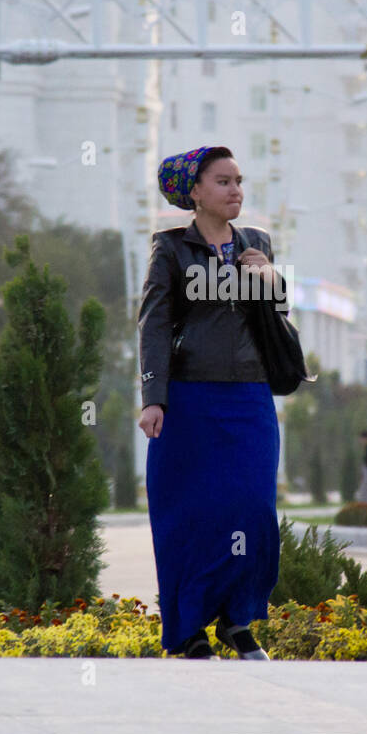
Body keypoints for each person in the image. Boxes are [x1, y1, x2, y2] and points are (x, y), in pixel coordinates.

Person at [137, 145, 280, 660]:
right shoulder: (171, 249)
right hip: (190, 399)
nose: (236, 189)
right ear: (194, 192)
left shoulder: (258, 243)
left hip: (249, 396)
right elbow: (153, 324)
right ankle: (190, 627)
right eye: (223, 181)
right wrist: (154, 398)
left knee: (252, 509)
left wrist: (270, 280)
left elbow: (276, 321)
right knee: (192, 514)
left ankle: (238, 620)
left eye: (239, 180)